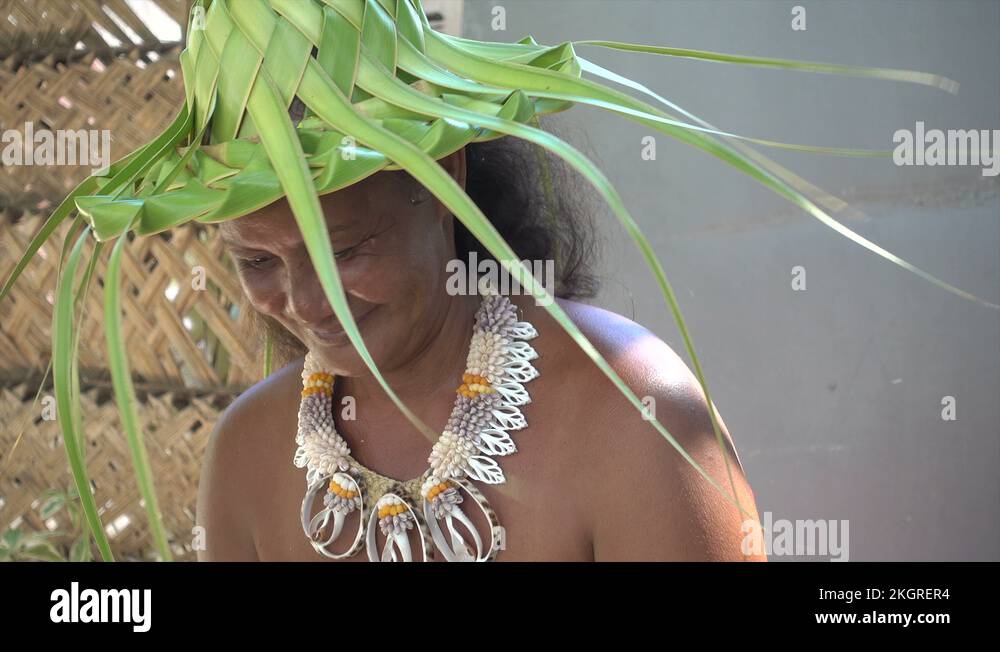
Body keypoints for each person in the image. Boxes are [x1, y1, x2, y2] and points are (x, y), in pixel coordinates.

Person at [195, 127, 764, 561]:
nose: (306, 303)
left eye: (341, 252)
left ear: (441, 177)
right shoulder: (246, 451)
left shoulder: (632, 410)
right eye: (257, 261)